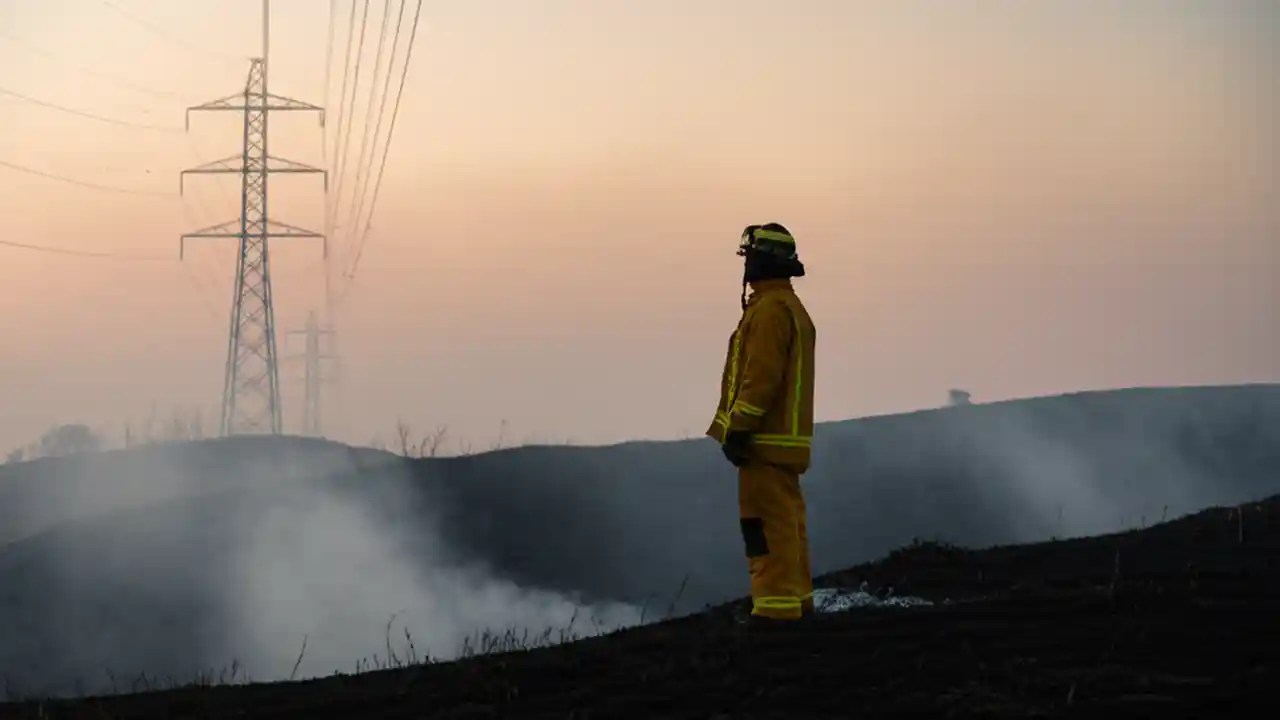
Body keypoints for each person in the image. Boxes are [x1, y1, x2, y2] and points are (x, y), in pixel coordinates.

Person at [706, 222, 817, 623]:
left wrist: (738, 429)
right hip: (781, 445)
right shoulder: (786, 307)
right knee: (787, 527)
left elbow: (760, 379)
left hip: (763, 444)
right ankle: (796, 603)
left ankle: (774, 612)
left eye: (750, 256)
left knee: (765, 531)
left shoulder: (770, 311)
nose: (746, 264)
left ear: (764, 260)